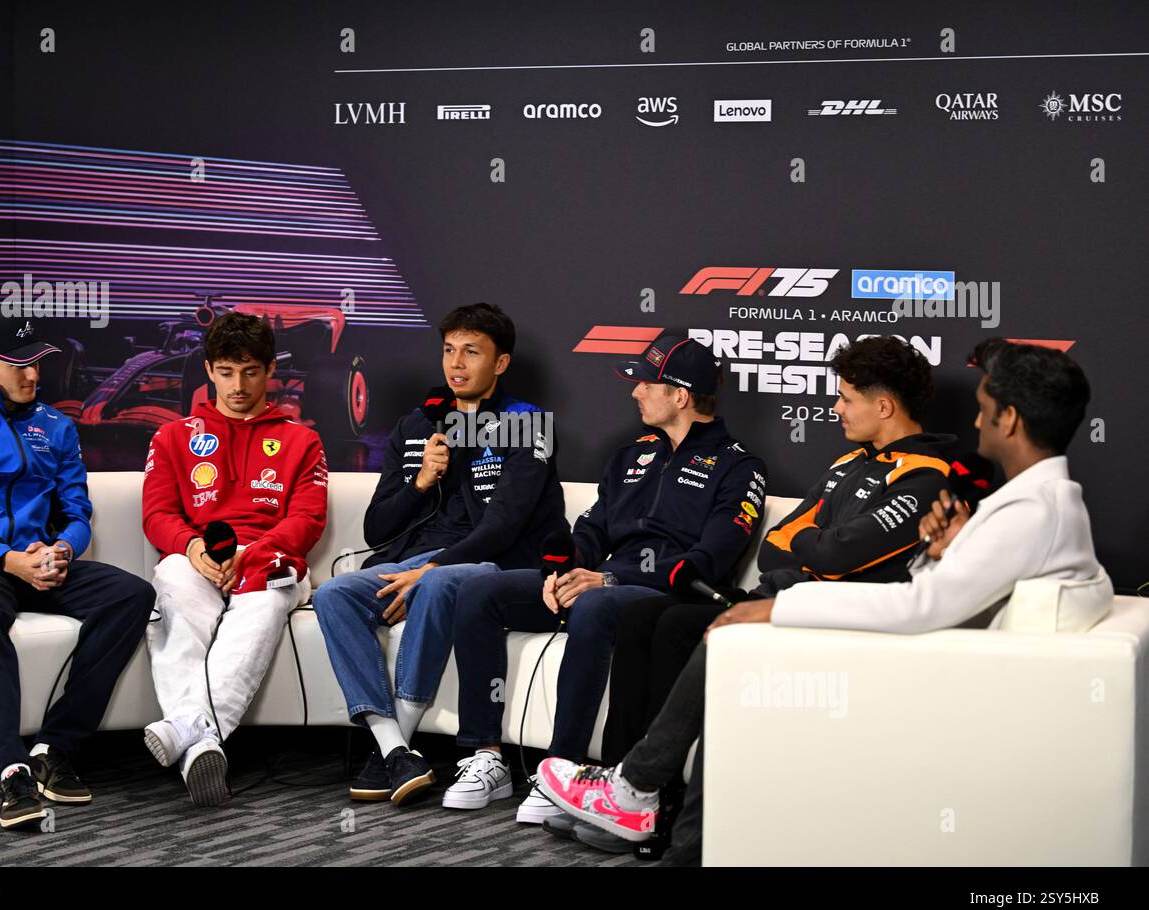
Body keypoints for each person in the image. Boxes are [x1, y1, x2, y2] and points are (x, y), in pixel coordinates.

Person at [537, 337, 1112, 865]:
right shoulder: (1040, 501)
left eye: (986, 406)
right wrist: (945, 552)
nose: (977, 419)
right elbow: (789, 547)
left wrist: (782, 605)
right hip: (892, 638)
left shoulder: (1026, 507)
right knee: (702, 635)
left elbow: (914, 604)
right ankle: (657, 815)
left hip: (886, 653)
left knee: (727, 637)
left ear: (1010, 418)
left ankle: (637, 791)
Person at [567, 335, 957, 853]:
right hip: (772, 596)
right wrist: (815, 544)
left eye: (845, 398)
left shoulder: (928, 476)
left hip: (823, 617)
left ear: (883, 406)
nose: (835, 408)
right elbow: (776, 546)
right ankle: (623, 795)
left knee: (680, 626)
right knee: (648, 619)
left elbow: (841, 556)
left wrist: (813, 544)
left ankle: (654, 802)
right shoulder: (845, 465)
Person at [442, 334, 765, 824]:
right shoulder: (630, 454)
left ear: (680, 395)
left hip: (659, 594)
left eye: (646, 383)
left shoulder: (739, 466)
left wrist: (606, 580)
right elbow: (591, 530)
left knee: (592, 605)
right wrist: (562, 571)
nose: (635, 391)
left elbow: (708, 560)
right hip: (602, 580)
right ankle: (486, 754)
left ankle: (561, 768)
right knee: (480, 591)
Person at [0, 306, 155, 830]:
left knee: (131, 594)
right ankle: (10, 769)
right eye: (17, 364)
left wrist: (63, 548)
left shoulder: (56, 426)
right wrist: (8, 559)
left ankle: (55, 748)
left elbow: (77, 510)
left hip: (40, 563)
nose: (33, 374)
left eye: (37, 362)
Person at [313, 303, 567, 806]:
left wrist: (430, 568)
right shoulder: (416, 424)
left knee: (437, 582)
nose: (457, 363)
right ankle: (395, 752)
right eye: (450, 350)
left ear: (500, 363)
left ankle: (398, 740)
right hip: (417, 557)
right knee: (336, 594)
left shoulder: (527, 425)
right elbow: (377, 526)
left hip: (495, 563)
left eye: (472, 352)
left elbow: (501, 528)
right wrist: (422, 481)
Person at [141, 312, 327, 807]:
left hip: (272, 557)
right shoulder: (174, 436)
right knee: (175, 594)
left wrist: (253, 552)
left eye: (249, 371)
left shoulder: (301, 439)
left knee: (265, 606)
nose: (238, 385)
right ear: (209, 370)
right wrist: (194, 547)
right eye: (226, 372)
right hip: (198, 555)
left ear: (270, 371)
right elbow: (157, 514)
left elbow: (307, 522)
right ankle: (202, 746)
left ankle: (189, 729)